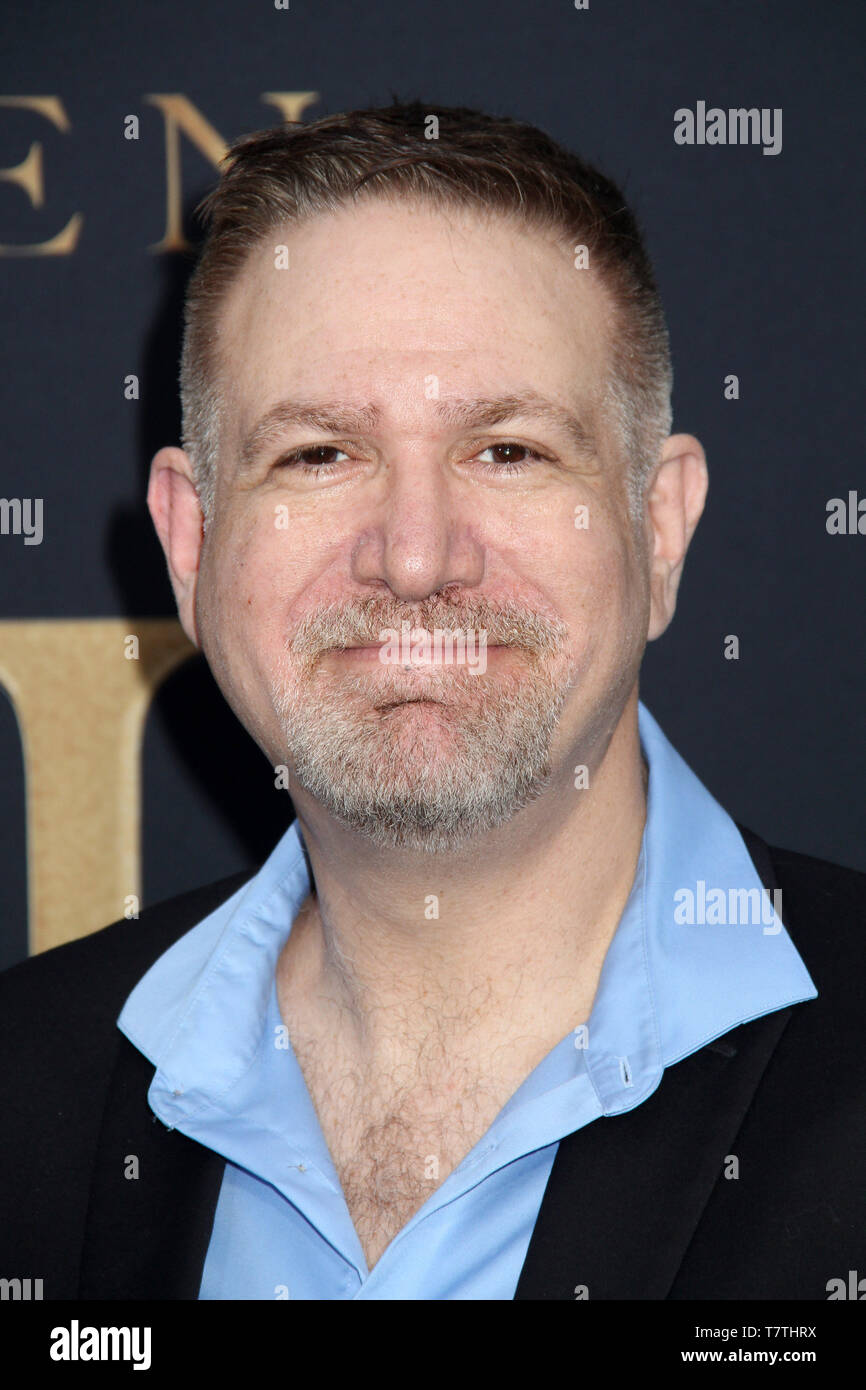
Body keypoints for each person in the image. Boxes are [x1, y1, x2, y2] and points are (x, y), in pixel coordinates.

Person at [1, 101, 863, 1302]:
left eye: (507, 450)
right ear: (191, 545)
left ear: (656, 528)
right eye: (317, 453)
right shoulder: (23, 1088)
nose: (413, 556)